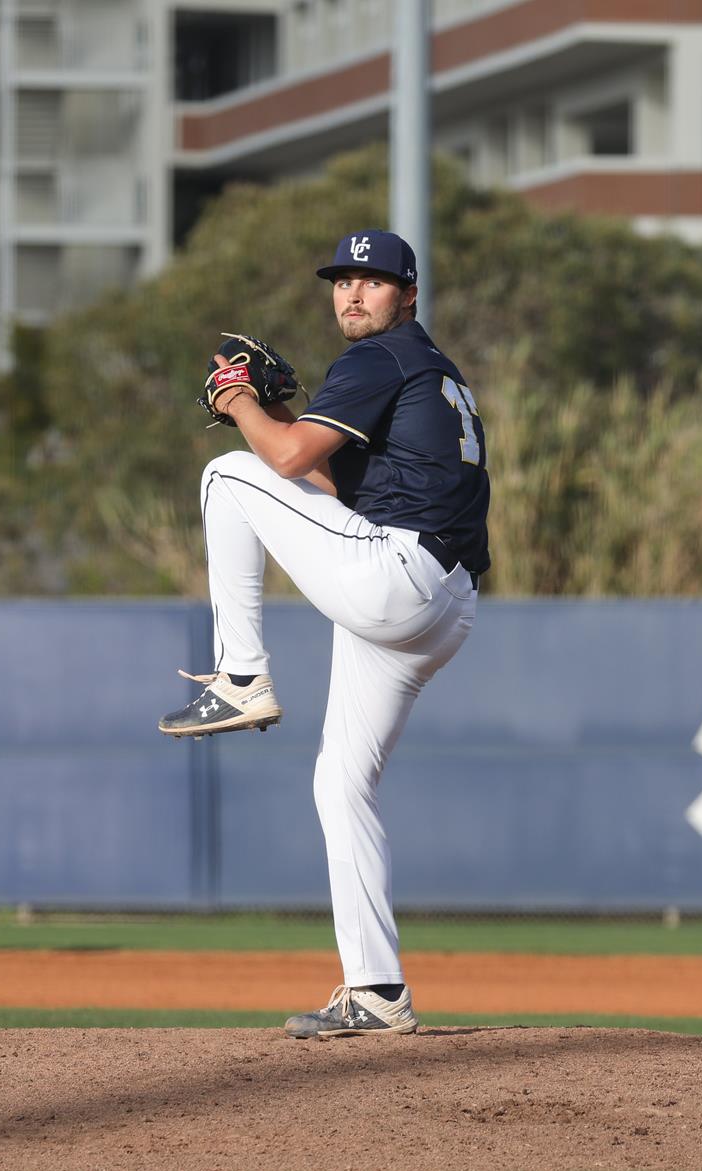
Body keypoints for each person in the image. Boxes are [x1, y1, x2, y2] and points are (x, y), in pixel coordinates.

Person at [160, 228, 489, 1038]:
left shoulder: (382, 358)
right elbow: (321, 475)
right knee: (340, 783)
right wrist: (270, 412)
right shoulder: (426, 372)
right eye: (342, 279)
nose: (353, 293)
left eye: (373, 281)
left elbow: (279, 460)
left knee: (225, 475)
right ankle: (376, 988)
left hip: (399, 575)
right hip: (441, 602)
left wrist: (237, 400)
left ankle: (241, 674)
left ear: (406, 294)